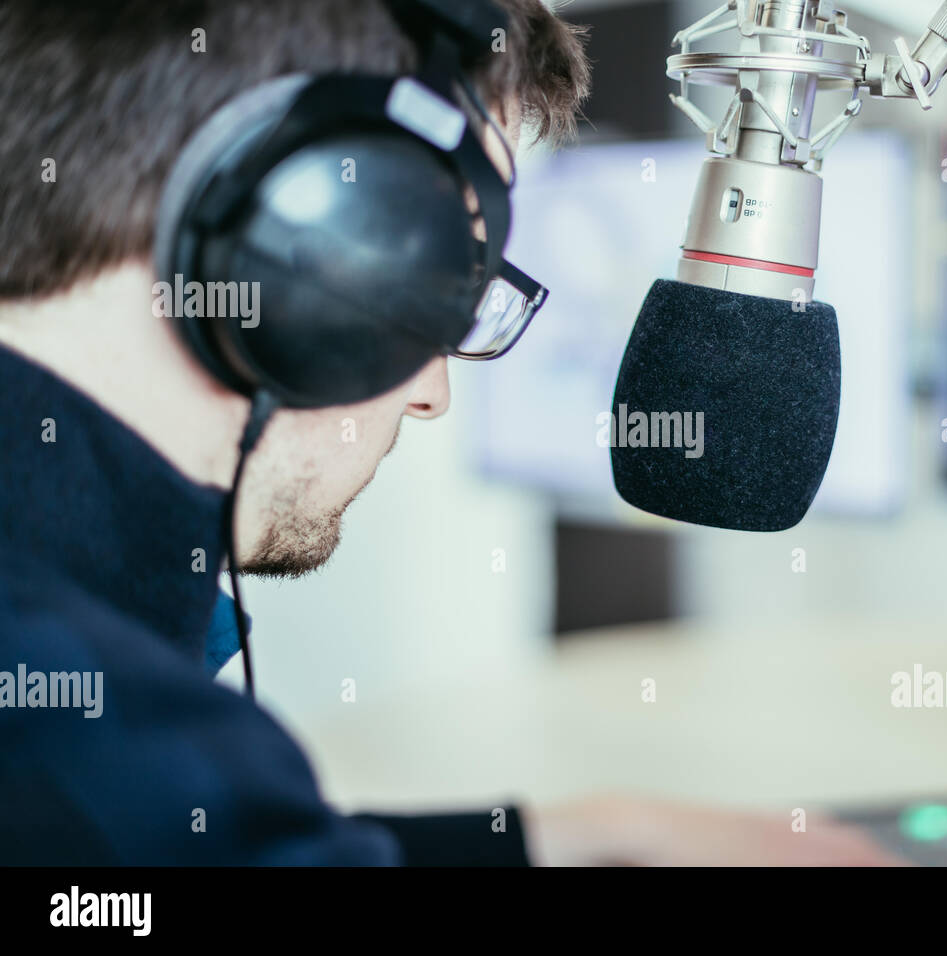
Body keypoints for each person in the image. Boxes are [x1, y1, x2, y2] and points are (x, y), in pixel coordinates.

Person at [0, 0, 883, 865]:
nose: (431, 393)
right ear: (276, 229)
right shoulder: (97, 737)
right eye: (428, 279)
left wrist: (589, 833)